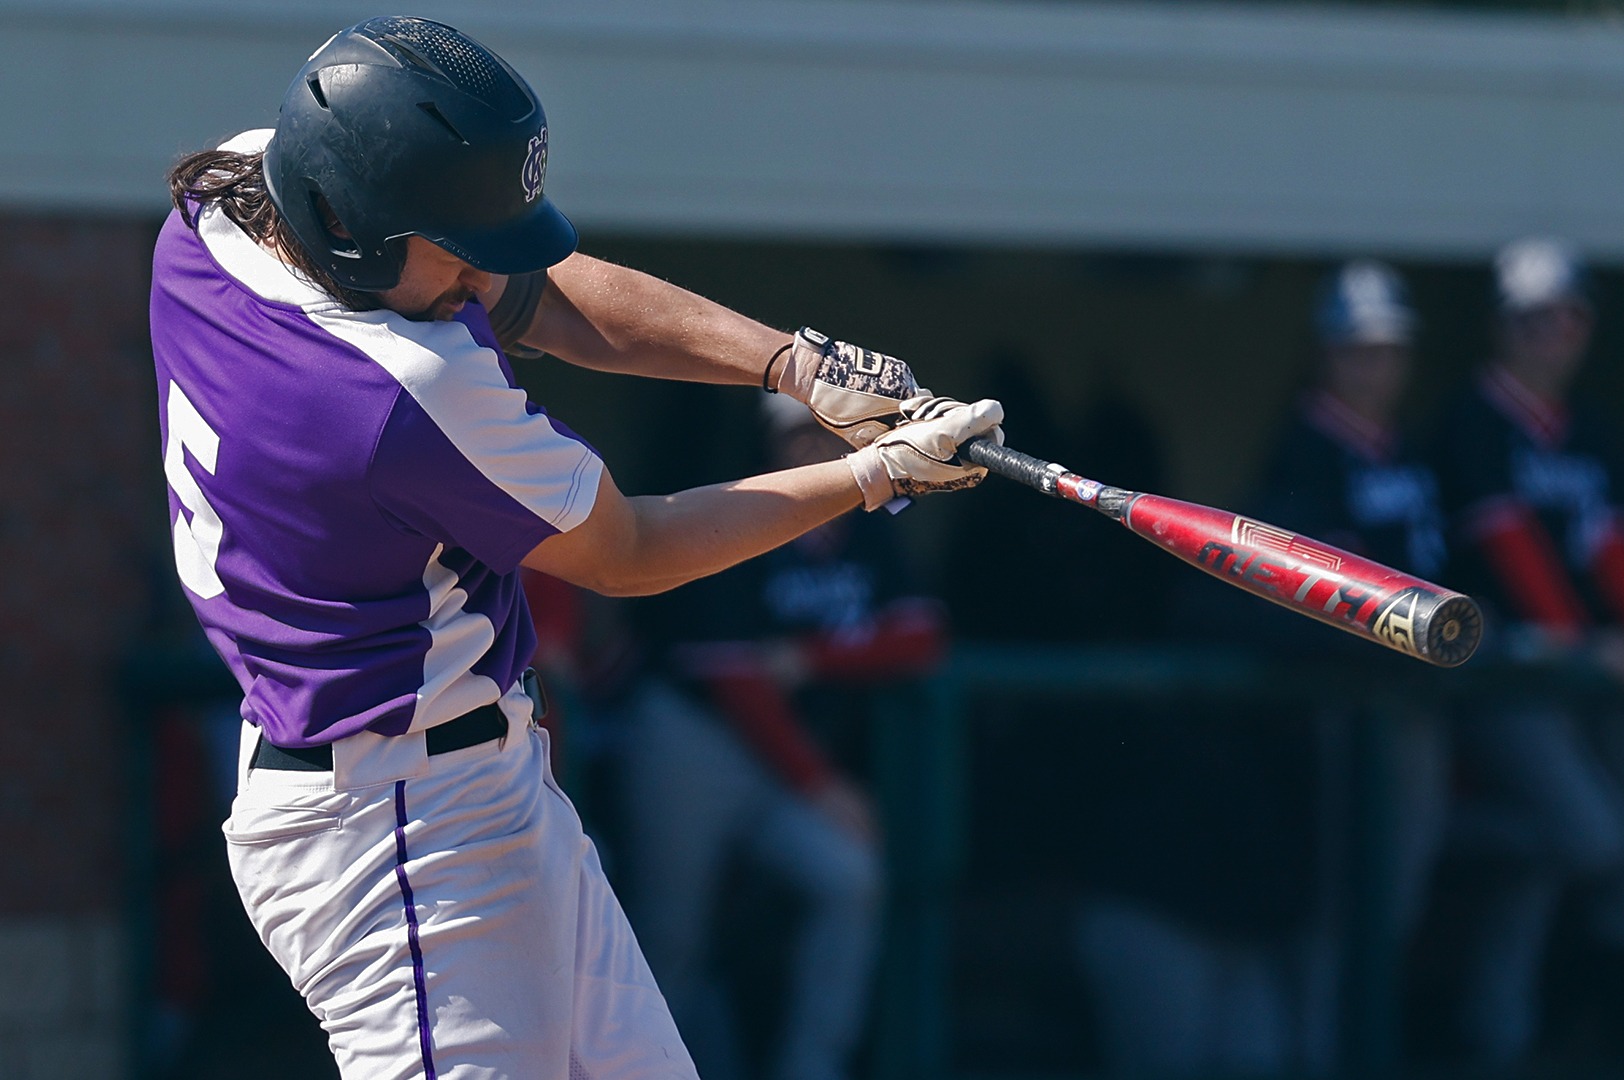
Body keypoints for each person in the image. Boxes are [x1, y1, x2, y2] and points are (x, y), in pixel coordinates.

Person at [151, 17, 1003, 1078]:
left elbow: (538, 294)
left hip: (470, 788)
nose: (478, 281)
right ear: (350, 224)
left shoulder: (229, 194)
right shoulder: (400, 396)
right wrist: (872, 476)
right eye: (456, 251)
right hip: (396, 838)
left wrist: (794, 366)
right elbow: (634, 549)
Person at [617, 395, 950, 1080]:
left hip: (787, 749)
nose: (817, 452)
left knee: (848, 878)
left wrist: (811, 659)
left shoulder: (870, 526)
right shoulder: (742, 508)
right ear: (773, 446)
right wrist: (820, 784)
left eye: (830, 438)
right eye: (801, 439)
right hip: (692, 737)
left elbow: (922, 637)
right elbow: (734, 674)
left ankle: (811, 1069)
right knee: (671, 934)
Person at [1429, 237, 1624, 1068]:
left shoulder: (1589, 428)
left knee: (1551, 862)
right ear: (1501, 326)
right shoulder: (1472, 418)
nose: (1551, 332)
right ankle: (1437, 839)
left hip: (1569, 676)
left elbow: (1614, 545)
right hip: (1489, 674)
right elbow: (1506, 544)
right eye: (1532, 317)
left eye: (1567, 316)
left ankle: (1499, 1036)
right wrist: (1591, 642)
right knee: (1591, 837)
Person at [1244, 259, 1451, 1077]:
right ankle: (1323, 1055)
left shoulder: (1404, 447)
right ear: (1326, 354)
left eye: (1390, 350)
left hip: (1410, 704)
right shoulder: (1301, 451)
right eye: (1359, 350)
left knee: (1396, 899)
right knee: (1344, 904)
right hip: (1340, 708)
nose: (1377, 366)